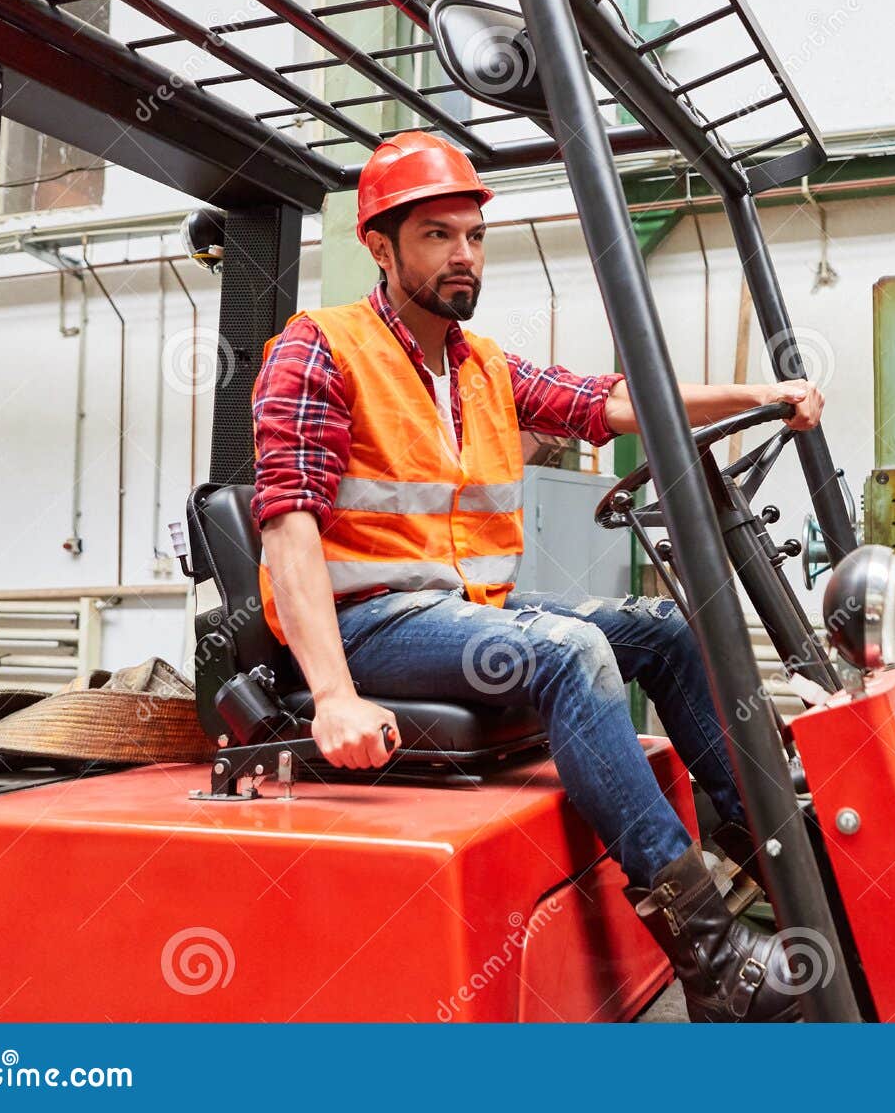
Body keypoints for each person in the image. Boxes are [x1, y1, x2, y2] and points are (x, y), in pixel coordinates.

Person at [251, 131, 824, 1022]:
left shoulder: (483, 368)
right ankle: (711, 957)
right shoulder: (319, 348)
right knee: (571, 650)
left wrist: (761, 397)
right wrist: (331, 694)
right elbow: (289, 524)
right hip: (366, 628)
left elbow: (614, 403)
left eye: (474, 236)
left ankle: (793, 865)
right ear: (379, 245)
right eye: (437, 235)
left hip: (464, 612)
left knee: (664, 629)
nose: (464, 255)